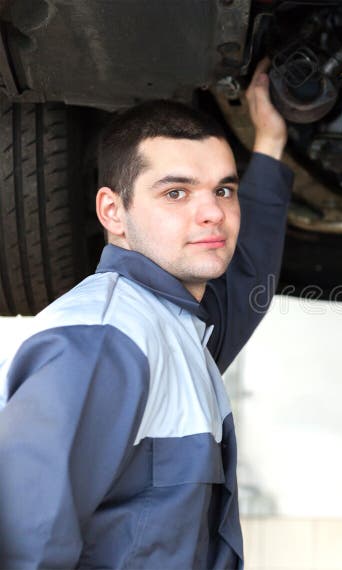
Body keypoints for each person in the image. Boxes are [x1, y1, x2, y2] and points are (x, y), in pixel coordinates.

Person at [0, 58, 292, 567]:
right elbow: (27, 542)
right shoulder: (100, 342)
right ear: (113, 211)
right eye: (175, 192)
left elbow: (249, 281)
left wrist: (268, 143)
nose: (212, 212)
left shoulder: (179, 328)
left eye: (223, 189)